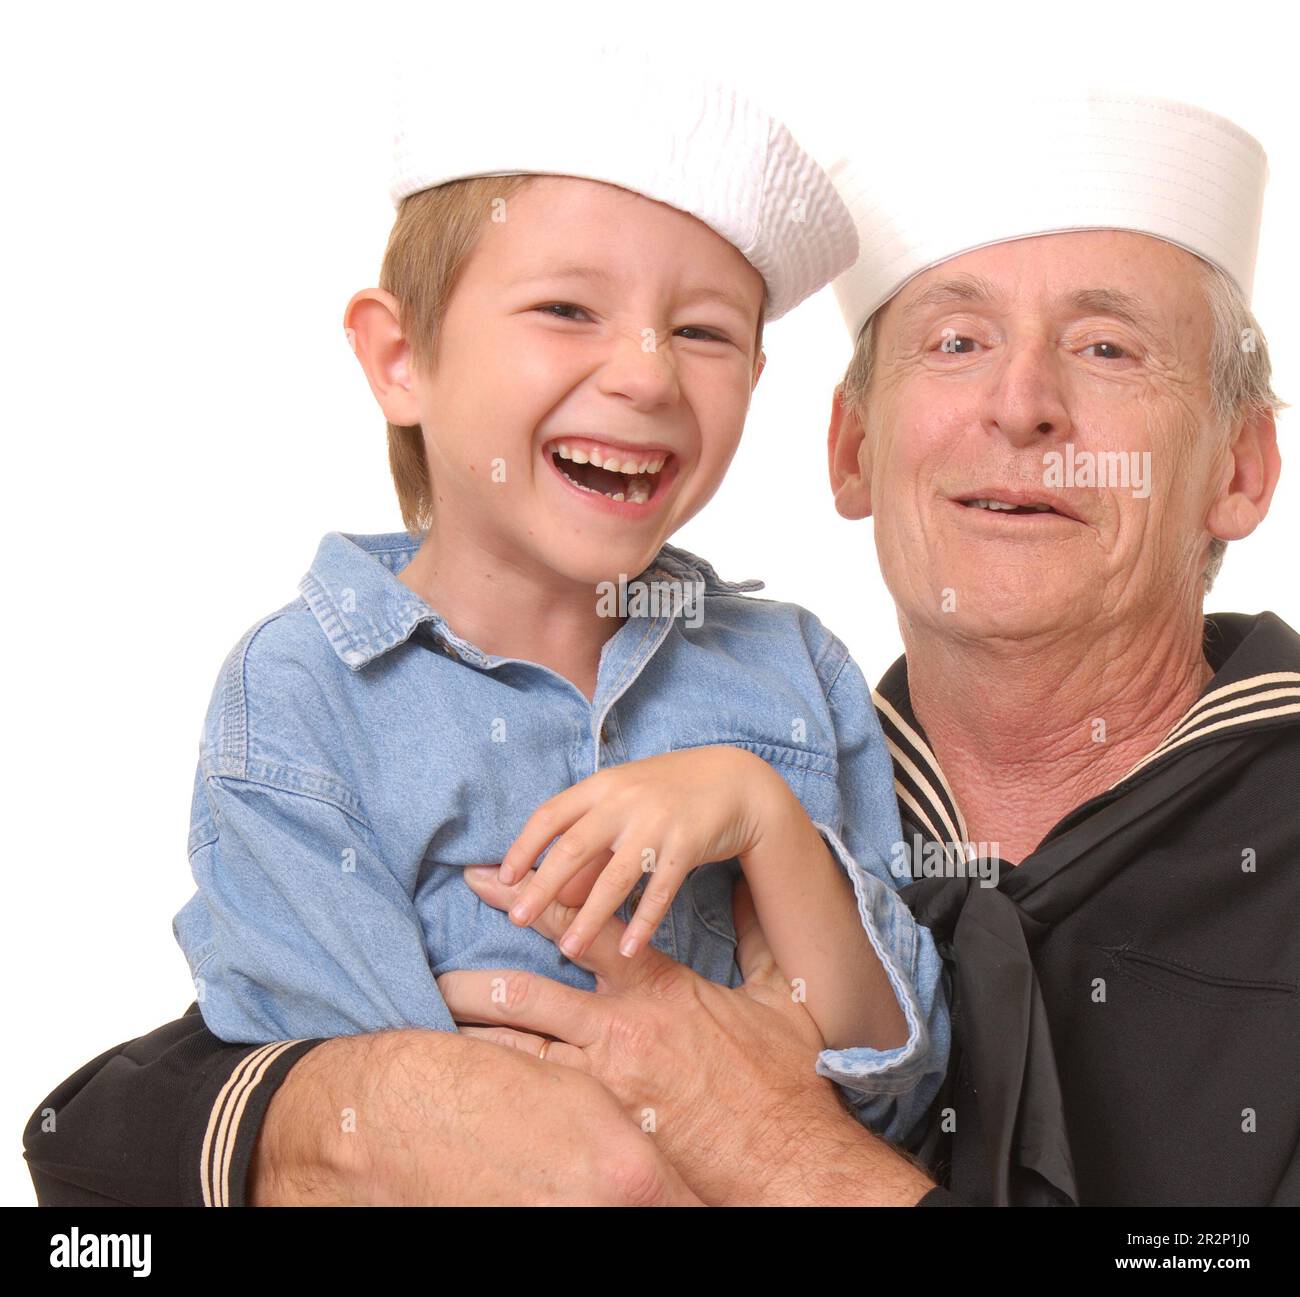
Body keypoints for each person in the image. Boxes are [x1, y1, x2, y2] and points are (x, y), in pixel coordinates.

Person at [25, 89, 1298, 1209]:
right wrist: (333, 1119)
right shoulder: (794, 720)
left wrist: (781, 1157)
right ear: (848, 449)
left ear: (1238, 468)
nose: (1021, 406)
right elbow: (102, 1145)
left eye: (1107, 347)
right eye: (956, 342)